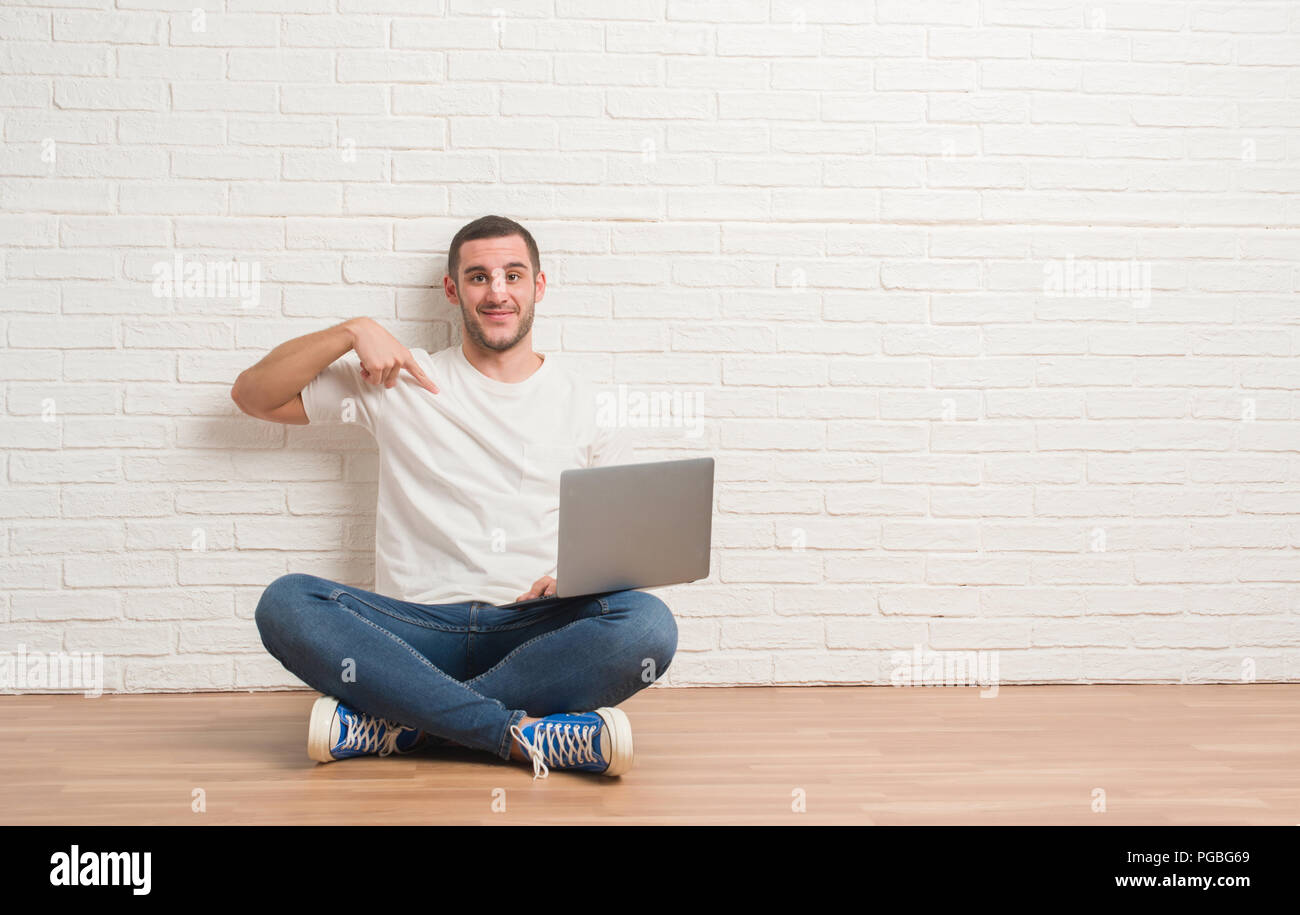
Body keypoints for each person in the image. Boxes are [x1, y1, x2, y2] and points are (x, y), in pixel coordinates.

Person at [231, 215, 678, 780]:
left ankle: (402, 725)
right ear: (452, 289)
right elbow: (253, 396)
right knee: (286, 602)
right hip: (413, 633)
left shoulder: (586, 402)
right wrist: (351, 330)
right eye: (478, 277)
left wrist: (574, 578)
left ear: (538, 286)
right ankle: (516, 736)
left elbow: (621, 550)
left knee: (648, 623)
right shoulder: (396, 379)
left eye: (513, 275)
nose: (497, 292)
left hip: (531, 628)